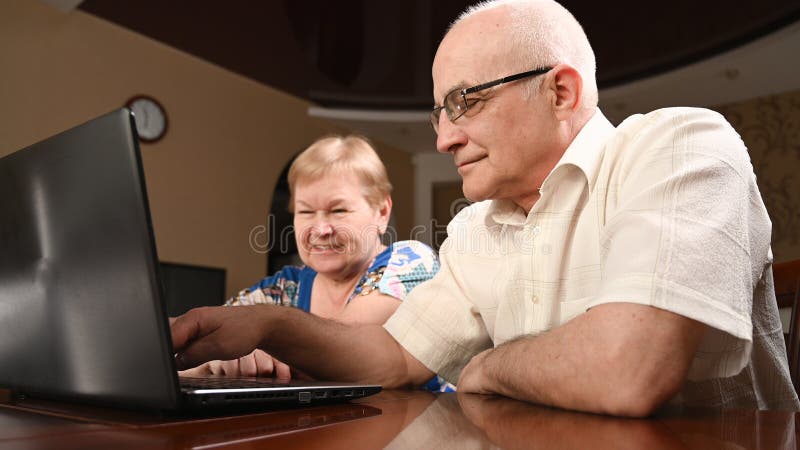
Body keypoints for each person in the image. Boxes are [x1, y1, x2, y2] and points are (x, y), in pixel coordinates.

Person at [171, 0, 799, 416]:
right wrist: (270, 326)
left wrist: (487, 365)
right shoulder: (475, 228)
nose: (444, 138)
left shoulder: (682, 144)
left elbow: (626, 370)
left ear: (560, 90)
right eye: (439, 112)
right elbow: (393, 356)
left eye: (465, 101)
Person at [179, 134, 440, 383]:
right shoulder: (285, 287)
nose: (320, 229)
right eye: (305, 211)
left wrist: (250, 344)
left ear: (381, 212)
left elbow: (337, 352)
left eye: (338, 210)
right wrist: (210, 360)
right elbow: (202, 341)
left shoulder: (410, 261)